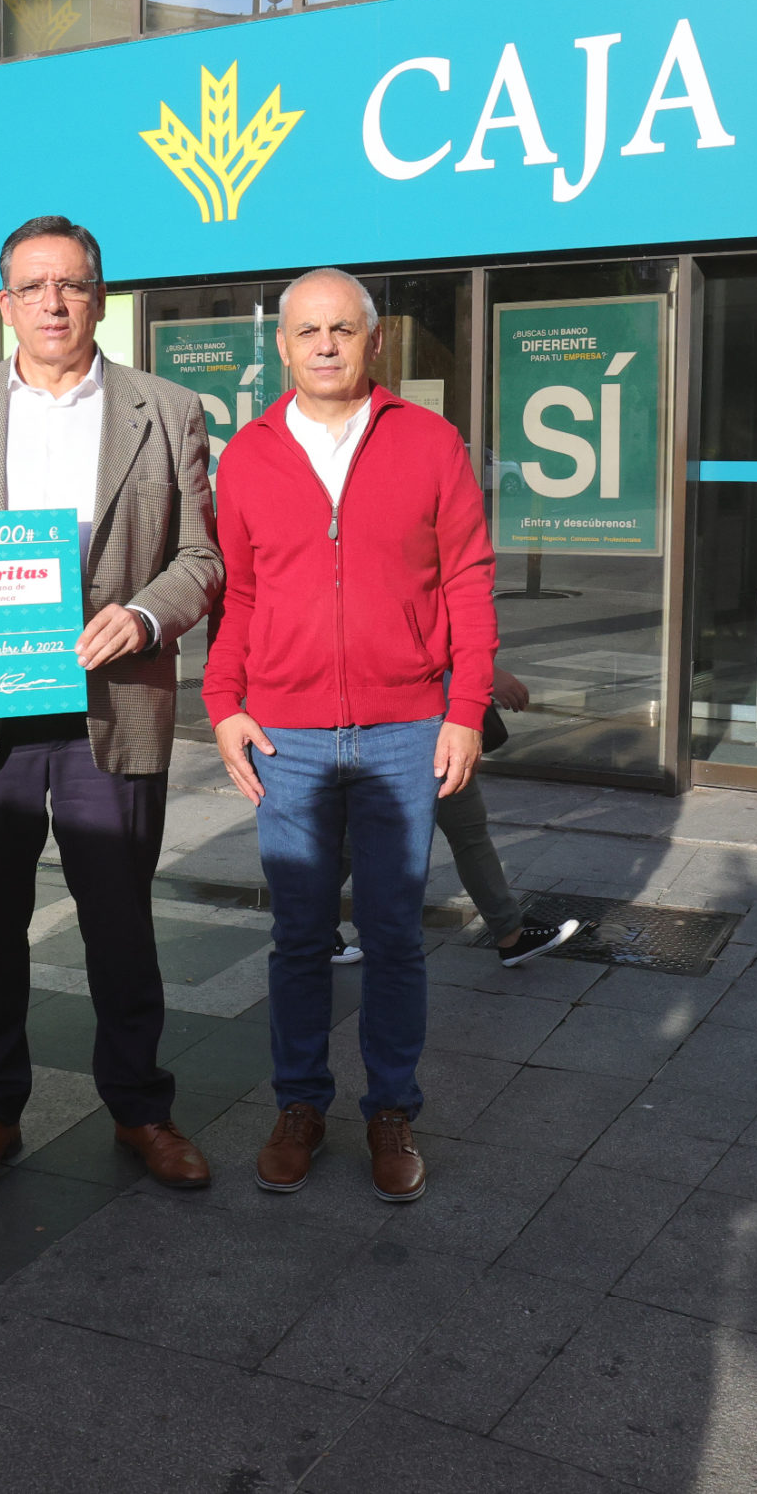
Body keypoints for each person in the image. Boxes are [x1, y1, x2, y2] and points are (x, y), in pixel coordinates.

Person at [0, 216, 223, 1199]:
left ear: (99, 296)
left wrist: (145, 615)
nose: (52, 302)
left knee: (120, 925)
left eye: (71, 285)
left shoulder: (166, 409)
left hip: (108, 706)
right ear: (3, 304)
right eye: (31, 286)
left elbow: (200, 558)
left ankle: (141, 1109)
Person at [208, 267, 497, 1204]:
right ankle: (300, 1105)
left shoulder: (429, 441)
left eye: (343, 329)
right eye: (306, 331)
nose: (325, 344)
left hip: (404, 727)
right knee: (297, 937)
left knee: (394, 935)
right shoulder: (246, 455)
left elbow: (468, 582)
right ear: (282, 346)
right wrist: (223, 701)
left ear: (376, 342)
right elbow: (239, 592)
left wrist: (464, 709)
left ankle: (391, 1110)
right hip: (285, 732)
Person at [331, 664, 582, 969]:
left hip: (437, 724)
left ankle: (511, 934)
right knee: (357, 836)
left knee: (468, 832)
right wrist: (487, 674)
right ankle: (310, 928)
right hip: (400, 726)